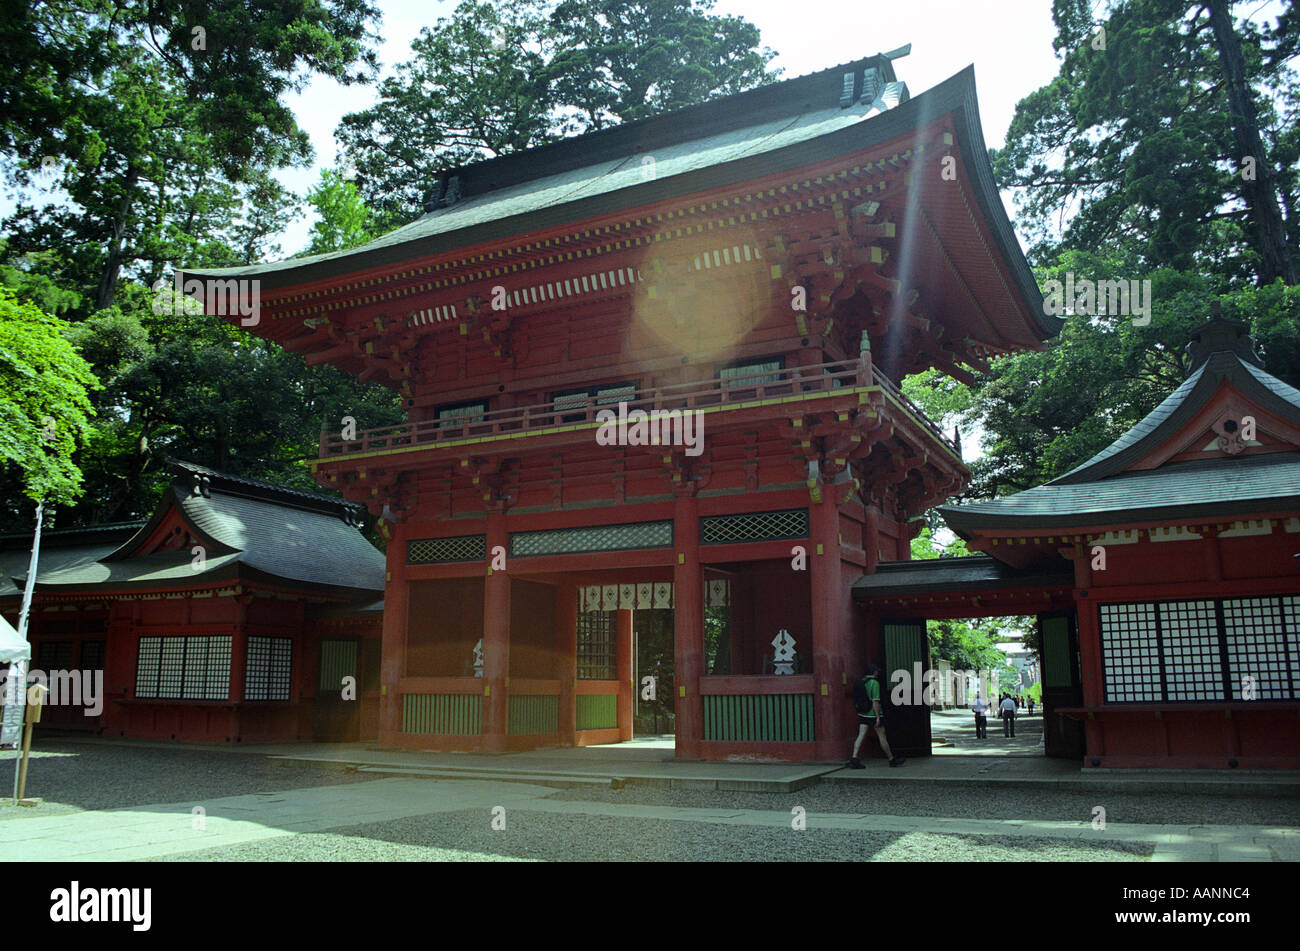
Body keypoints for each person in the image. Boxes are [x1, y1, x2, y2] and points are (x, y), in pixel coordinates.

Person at [848, 664, 905, 768]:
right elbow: (875, 701)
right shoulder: (874, 683)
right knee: (882, 736)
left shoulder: (862, 681)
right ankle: (891, 759)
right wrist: (878, 716)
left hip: (863, 713)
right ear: (873, 672)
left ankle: (854, 758)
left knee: (860, 735)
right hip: (873, 714)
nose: (878, 673)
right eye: (877, 671)